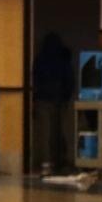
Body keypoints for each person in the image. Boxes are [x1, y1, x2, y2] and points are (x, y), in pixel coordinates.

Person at [32, 31, 75, 175]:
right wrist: (66, 97)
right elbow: (69, 80)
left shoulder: (40, 60)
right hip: (60, 100)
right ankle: (59, 160)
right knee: (59, 131)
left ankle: (46, 161)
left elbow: (35, 79)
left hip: (43, 99)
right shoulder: (63, 60)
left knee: (45, 132)